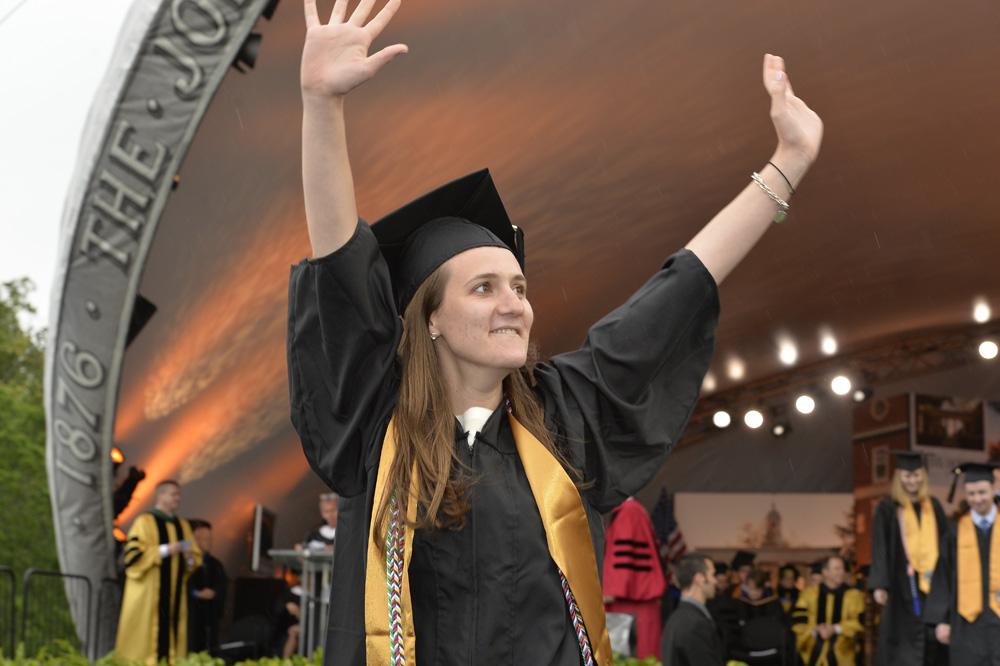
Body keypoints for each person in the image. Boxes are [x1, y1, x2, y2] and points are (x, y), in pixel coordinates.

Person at [287, 0, 822, 662]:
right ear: (431, 319)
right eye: (484, 288)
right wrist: (322, 106)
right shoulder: (375, 423)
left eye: (519, 287)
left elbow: (678, 288)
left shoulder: (564, 414)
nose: (515, 303)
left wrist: (787, 164)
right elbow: (342, 270)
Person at [867, 451, 948, 665]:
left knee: (933, 639)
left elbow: (946, 544)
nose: (912, 480)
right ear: (898, 477)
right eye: (907, 475)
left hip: (933, 585)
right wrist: (880, 584)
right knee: (903, 642)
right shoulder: (888, 507)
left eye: (916, 475)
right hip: (901, 584)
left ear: (923, 477)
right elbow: (880, 545)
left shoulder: (934, 506)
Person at [115, 480, 202, 665]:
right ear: (160, 495)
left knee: (170, 636)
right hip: (148, 592)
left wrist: (188, 557)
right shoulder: (144, 521)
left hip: (173, 595)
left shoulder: (183, 525)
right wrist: (167, 549)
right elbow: (132, 557)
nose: (177, 498)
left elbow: (192, 562)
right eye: (173, 494)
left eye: (178, 495)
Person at [926, 462, 1000, 665]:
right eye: (971, 493)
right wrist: (941, 619)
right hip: (966, 624)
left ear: (994, 489)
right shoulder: (955, 532)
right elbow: (943, 578)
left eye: (982, 492)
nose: (977, 499)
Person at [603, 497, 667, 659]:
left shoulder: (629, 513)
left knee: (632, 658)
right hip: (634, 606)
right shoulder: (629, 511)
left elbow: (625, 559)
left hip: (629, 607)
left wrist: (612, 589)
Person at [791, 555, 865, 666]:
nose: (841, 572)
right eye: (837, 568)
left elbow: (860, 622)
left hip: (843, 650)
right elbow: (799, 622)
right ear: (825, 572)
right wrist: (816, 629)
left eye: (842, 568)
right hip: (812, 647)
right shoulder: (808, 594)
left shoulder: (854, 595)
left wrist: (836, 629)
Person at [661, 553, 725, 666]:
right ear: (699, 578)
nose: (715, 581)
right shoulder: (695, 623)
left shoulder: (676, 617)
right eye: (712, 575)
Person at [732, 569, 794, 666]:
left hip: (772, 652)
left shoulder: (773, 603)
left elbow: (782, 627)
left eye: (756, 589)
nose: (752, 593)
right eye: (750, 588)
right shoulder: (739, 603)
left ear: (763, 587)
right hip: (747, 652)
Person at [187, 519, 228, 655]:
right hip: (190, 618)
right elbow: (181, 586)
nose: (208, 541)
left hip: (210, 620)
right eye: (203, 538)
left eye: (209, 538)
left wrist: (215, 593)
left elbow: (222, 587)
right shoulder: (185, 562)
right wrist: (196, 594)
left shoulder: (216, 565)